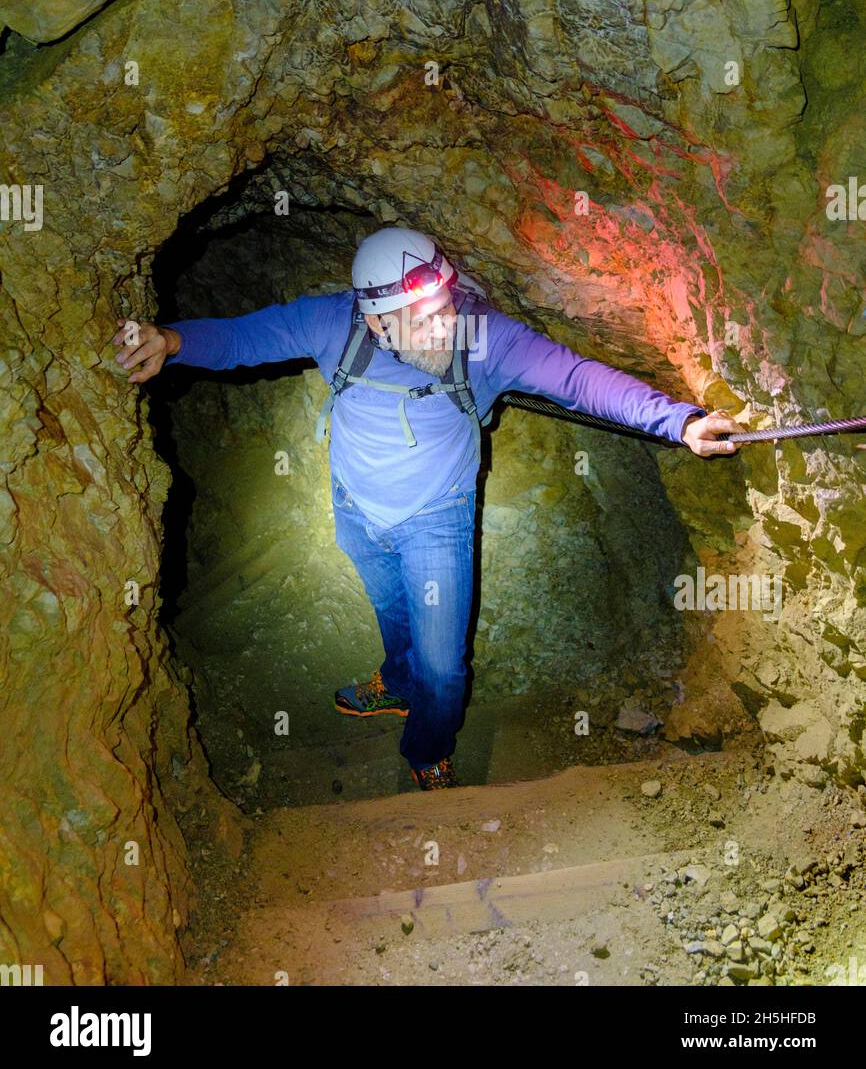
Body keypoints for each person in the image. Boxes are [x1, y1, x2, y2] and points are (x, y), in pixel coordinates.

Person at [111, 226, 744, 790]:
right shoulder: (333, 323)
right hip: (356, 510)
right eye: (419, 320)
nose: (442, 327)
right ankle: (395, 683)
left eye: (443, 308)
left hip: (437, 519)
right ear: (375, 323)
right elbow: (246, 338)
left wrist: (677, 421)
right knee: (391, 612)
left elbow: (577, 379)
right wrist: (172, 340)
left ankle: (428, 748)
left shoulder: (484, 338)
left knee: (442, 669)